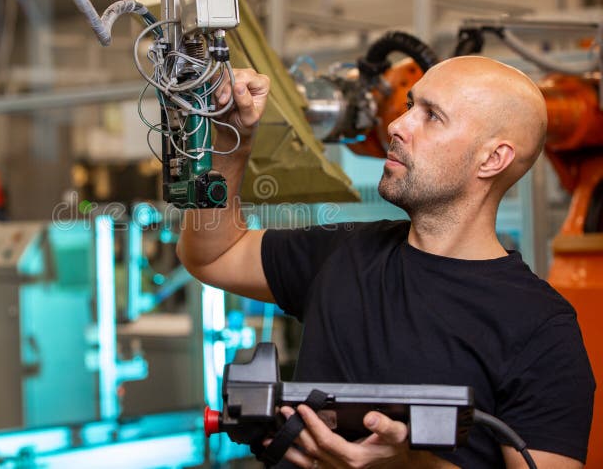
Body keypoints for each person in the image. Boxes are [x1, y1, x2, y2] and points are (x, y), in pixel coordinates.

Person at [176, 56, 595, 468]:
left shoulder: (541, 329)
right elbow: (214, 254)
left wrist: (412, 466)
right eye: (411, 105)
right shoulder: (345, 251)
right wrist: (229, 141)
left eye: (432, 116)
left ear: (492, 159)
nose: (396, 125)